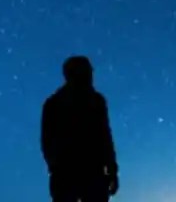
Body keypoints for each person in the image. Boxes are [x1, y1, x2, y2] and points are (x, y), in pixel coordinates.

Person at [41, 55, 120, 201]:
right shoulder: (54, 104)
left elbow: (105, 137)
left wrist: (112, 170)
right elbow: (47, 140)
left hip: (88, 172)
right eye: (88, 71)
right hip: (70, 172)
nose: (91, 75)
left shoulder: (96, 101)